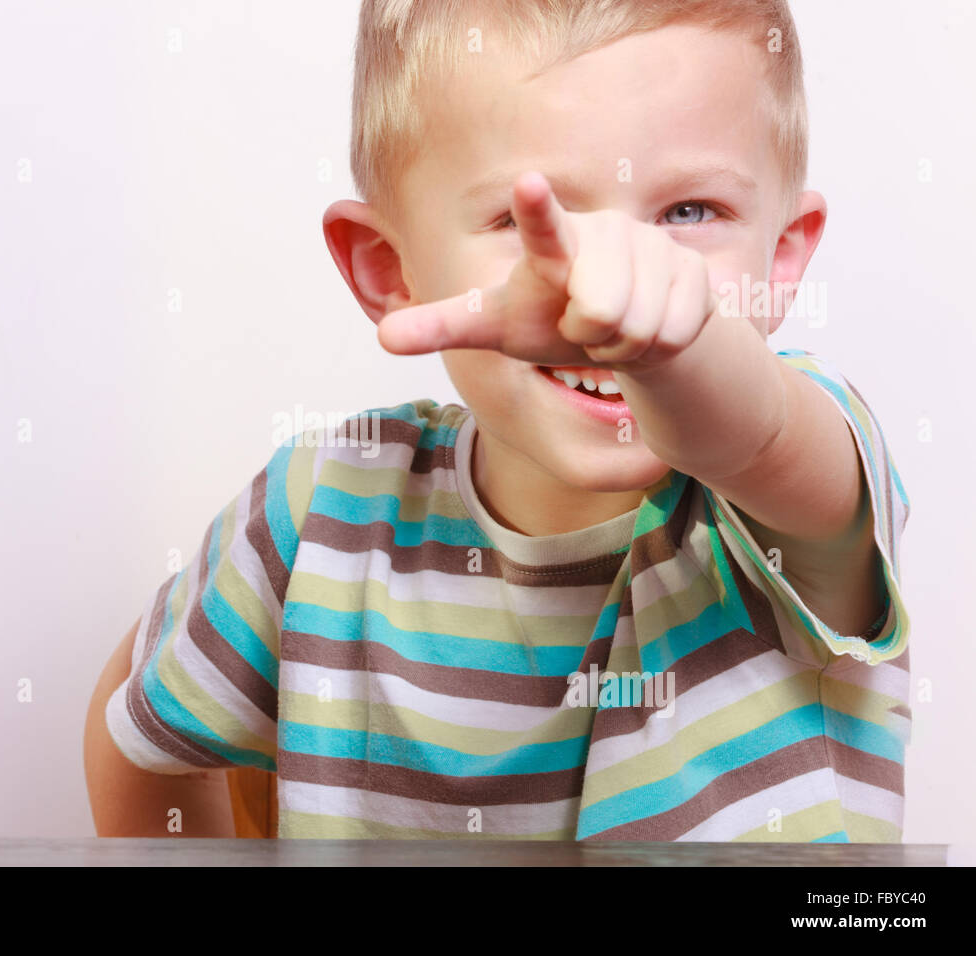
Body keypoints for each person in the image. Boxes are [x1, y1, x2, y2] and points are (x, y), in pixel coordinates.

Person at [85, 0, 910, 842]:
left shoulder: (793, 482)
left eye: (689, 214)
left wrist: (685, 345)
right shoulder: (325, 506)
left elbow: (757, 431)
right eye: (526, 222)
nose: (603, 288)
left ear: (782, 257)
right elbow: (138, 729)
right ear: (391, 268)